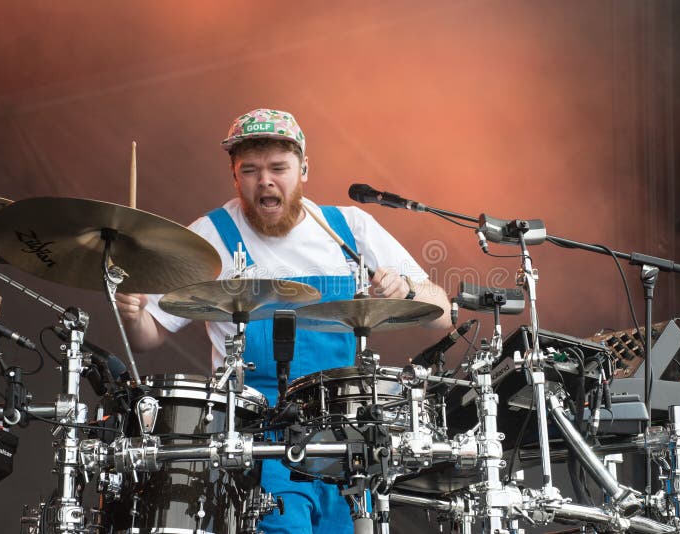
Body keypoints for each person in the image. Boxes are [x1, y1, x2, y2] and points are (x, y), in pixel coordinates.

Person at [116, 108, 452, 534]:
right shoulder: (211, 235)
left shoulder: (350, 230)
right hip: (257, 442)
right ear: (234, 177)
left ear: (304, 169)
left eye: (278, 168)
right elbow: (150, 335)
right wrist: (133, 315)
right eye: (250, 170)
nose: (265, 181)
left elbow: (439, 309)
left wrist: (403, 288)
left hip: (344, 443)